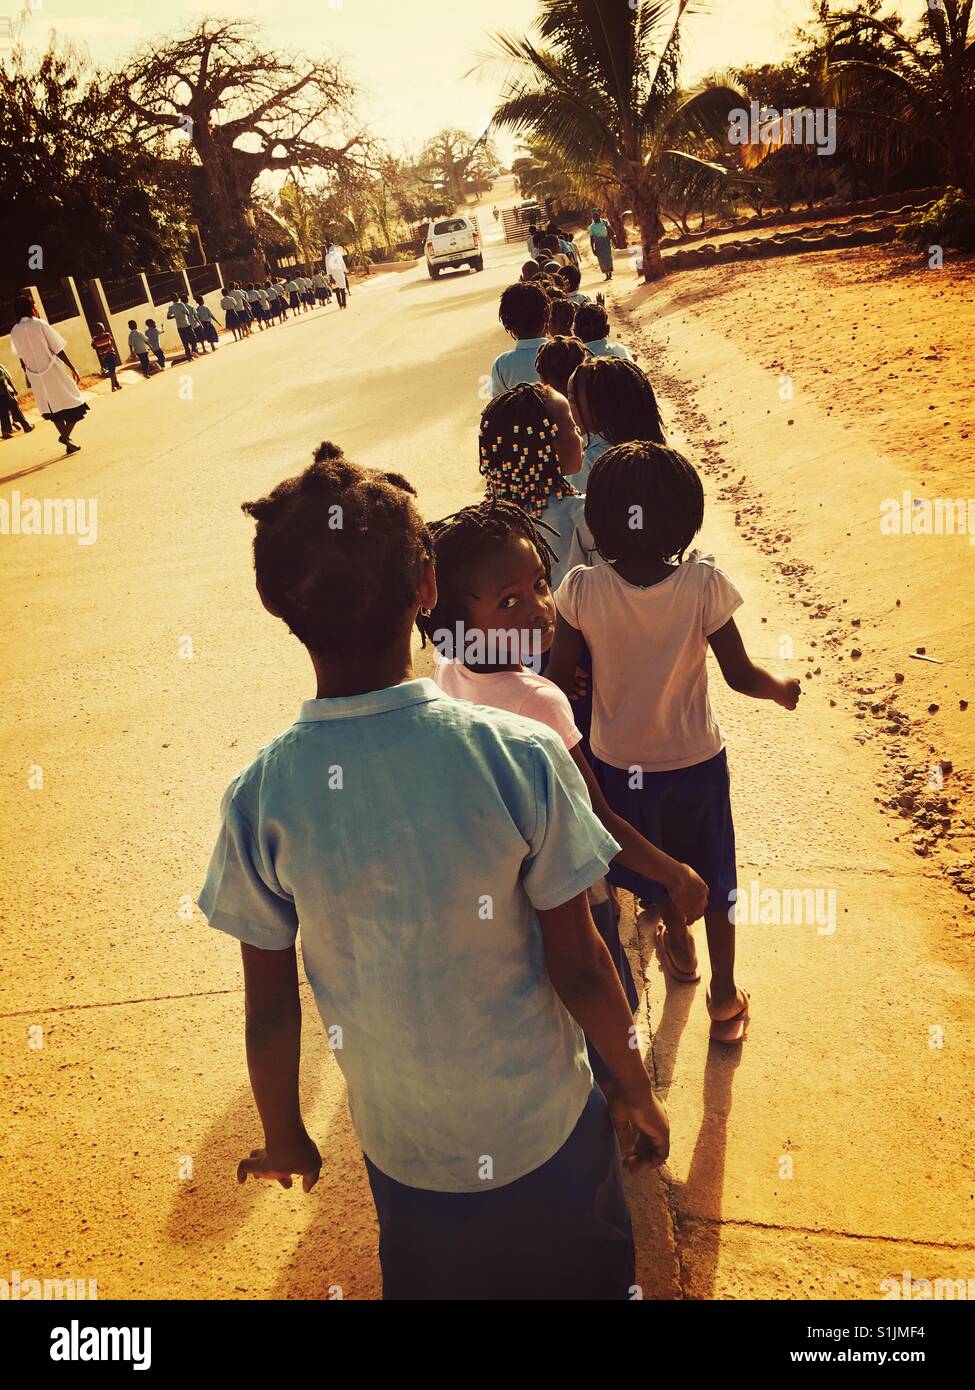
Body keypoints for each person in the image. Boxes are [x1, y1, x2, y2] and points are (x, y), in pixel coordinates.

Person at [199, 440, 669, 1301]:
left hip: (407, 1157)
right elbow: (580, 964)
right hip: (550, 1131)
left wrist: (285, 1134)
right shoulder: (518, 754)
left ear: (274, 604)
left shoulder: (260, 796)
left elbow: (268, 1008)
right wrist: (634, 1091)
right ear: (425, 589)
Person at [421, 499, 708, 1082]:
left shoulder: (448, 674)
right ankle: (628, 1107)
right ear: (455, 621)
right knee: (607, 1005)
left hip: (501, 894)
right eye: (509, 601)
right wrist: (674, 874)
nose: (539, 608)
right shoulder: (540, 702)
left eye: (539, 584)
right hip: (570, 893)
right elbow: (597, 821)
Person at [545, 442, 802, 1043]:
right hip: (694, 762)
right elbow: (741, 675)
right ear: (687, 516)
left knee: (655, 859)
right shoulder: (703, 585)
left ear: (600, 519)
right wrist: (782, 687)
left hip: (617, 763)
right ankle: (722, 995)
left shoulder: (581, 590)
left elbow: (559, 681)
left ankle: (678, 945)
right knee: (715, 869)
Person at [478, 381, 595, 593]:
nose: (579, 433)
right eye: (571, 425)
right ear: (549, 445)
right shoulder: (585, 514)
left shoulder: (489, 521)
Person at [567, 356, 664, 488]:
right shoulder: (659, 456)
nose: (568, 406)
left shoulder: (587, 463)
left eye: (572, 399)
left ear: (600, 406)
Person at [9, 296, 88, 454]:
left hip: (35, 376)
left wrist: (27, 376)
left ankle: (67, 441)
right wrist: (72, 367)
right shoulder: (39, 324)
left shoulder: (14, 331)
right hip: (53, 371)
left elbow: (21, 358)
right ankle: (65, 437)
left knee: (52, 409)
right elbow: (57, 348)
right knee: (76, 404)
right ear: (30, 307)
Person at [490, 283, 551, 397]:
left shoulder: (502, 364)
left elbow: (497, 405)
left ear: (508, 324)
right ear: (547, 318)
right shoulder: (565, 351)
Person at [0, 362, 34, 437]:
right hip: (5, 394)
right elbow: (4, 382)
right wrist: (10, 395)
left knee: (4, 413)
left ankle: (6, 431)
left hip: (3, 395)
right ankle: (26, 426)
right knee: (16, 410)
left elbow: (7, 381)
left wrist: (14, 391)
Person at [90, 322, 122, 391]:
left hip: (103, 357)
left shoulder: (95, 339)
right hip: (111, 354)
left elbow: (93, 346)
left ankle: (117, 385)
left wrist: (100, 346)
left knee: (111, 370)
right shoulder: (107, 335)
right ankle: (113, 387)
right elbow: (111, 340)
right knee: (112, 371)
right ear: (103, 328)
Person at [588, 210, 615, 280]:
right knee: (601, 259)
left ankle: (610, 274)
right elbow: (591, 238)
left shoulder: (604, 222)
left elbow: (610, 229)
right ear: (593, 218)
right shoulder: (592, 226)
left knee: (608, 257)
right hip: (598, 245)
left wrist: (614, 237)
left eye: (597, 216)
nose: (595, 218)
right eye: (594, 217)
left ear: (599, 216)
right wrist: (593, 249)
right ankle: (606, 275)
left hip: (606, 242)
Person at [325, 243, 350, 309]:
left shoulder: (327, 256)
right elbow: (342, 263)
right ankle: (344, 303)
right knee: (342, 289)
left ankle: (340, 304)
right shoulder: (338, 254)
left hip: (333, 275)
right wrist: (345, 271)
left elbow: (327, 267)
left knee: (337, 291)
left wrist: (330, 277)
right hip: (340, 273)